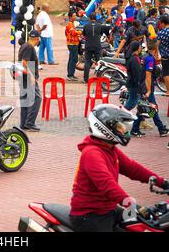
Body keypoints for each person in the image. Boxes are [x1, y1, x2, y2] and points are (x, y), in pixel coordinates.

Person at [69, 103, 169, 232]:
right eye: (121, 127)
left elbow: (133, 169)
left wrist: (163, 182)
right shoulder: (92, 153)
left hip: (108, 209)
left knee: (143, 226)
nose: (125, 131)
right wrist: (128, 202)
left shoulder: (109, 148)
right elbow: (106, 183)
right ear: (105, 128)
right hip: (89, 215)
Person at [124, 40, 169, 137]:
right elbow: (148, 75)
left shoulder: (145, 57)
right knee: (151, 108)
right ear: (155, 49)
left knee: (145, 108)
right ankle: (160, 129)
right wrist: (148, 90)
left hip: (144, 87)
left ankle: (136, 129)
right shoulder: (149, 59)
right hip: (147, 87)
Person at [18, 30, 42, 131]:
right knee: (37, 98)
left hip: (23, 77)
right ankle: (30, 122)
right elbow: (24, 62)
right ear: (37, 39)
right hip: (28, 78)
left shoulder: (24, 45)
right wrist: (32, 76)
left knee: (25, 100)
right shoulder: (29, 47)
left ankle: (23, 123)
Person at [82, 12, 102, 83]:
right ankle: (99, 77)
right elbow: (100, 34)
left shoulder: (86, 26)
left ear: (89, 18)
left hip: (88, 46)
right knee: (99, 62)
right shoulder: (99, 26)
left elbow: (83, 35)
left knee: (87, 61)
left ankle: (86, 79)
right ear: (95, 18)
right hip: (97, 46)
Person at [65, 11, 82, 81]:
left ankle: (70, 74)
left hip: (72, 44)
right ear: (70, 17)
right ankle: (70, 75)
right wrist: (80, 32)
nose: (75, 17)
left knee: (71, 59)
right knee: (74, 59)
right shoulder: (70, 24)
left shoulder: (72, 24)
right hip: (72, 44)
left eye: (75, 16)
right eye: (74, 16)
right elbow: (73, 32)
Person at [157, 15, 169, 97]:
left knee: (166, 73)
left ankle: (168, 91)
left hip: (165, 56)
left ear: (163, 23)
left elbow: (156, 45)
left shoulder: (161, 32)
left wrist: (156, 54)